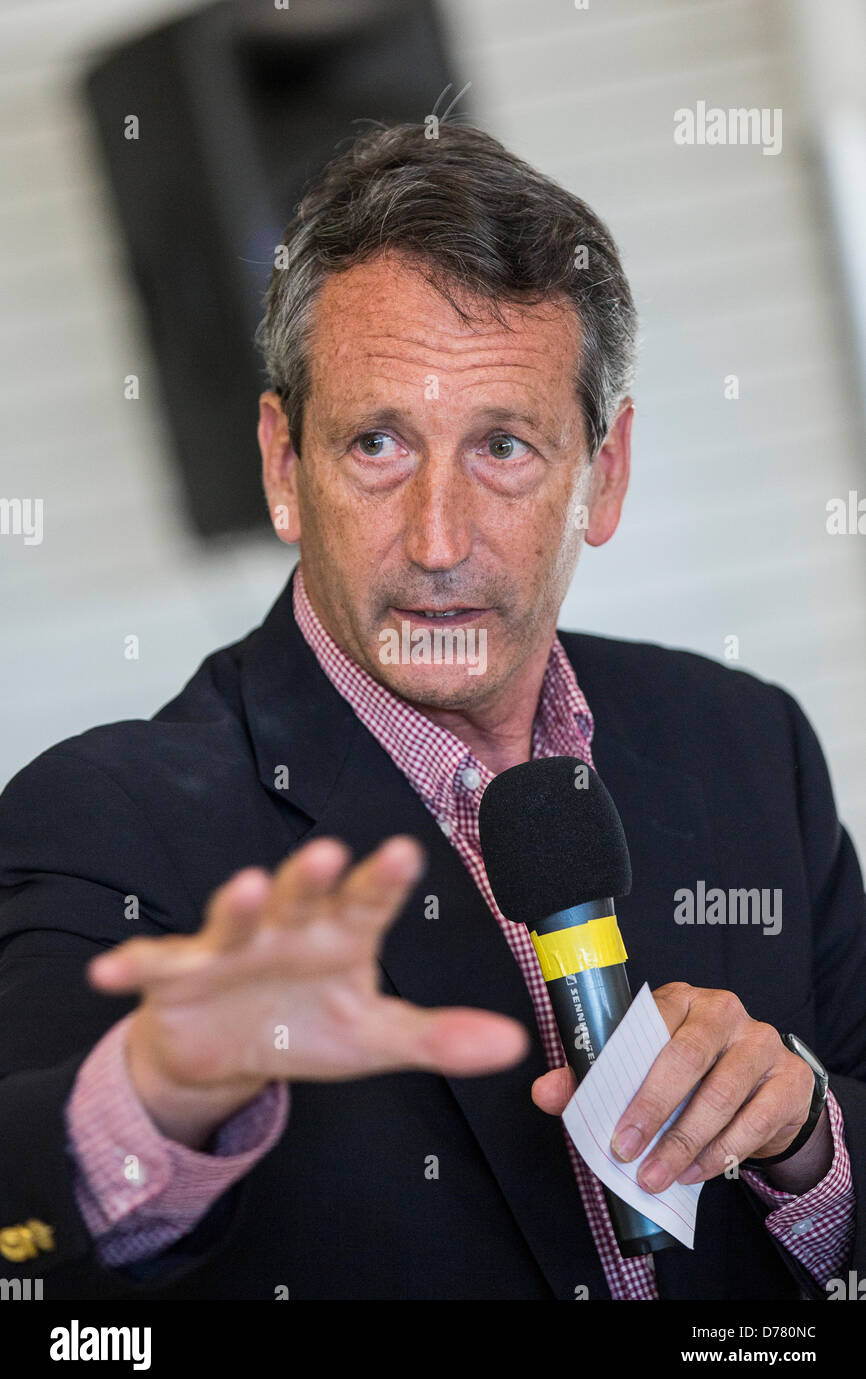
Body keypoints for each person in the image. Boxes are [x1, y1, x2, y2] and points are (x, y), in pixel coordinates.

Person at [0, 123, 863, 1301]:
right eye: (376, 444)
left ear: (601, 477)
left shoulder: (747, 742)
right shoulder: (106, 819)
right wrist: (156, 1093)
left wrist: (809, 1142)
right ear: (280, 463)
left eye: (502, 445)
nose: (437, 541)